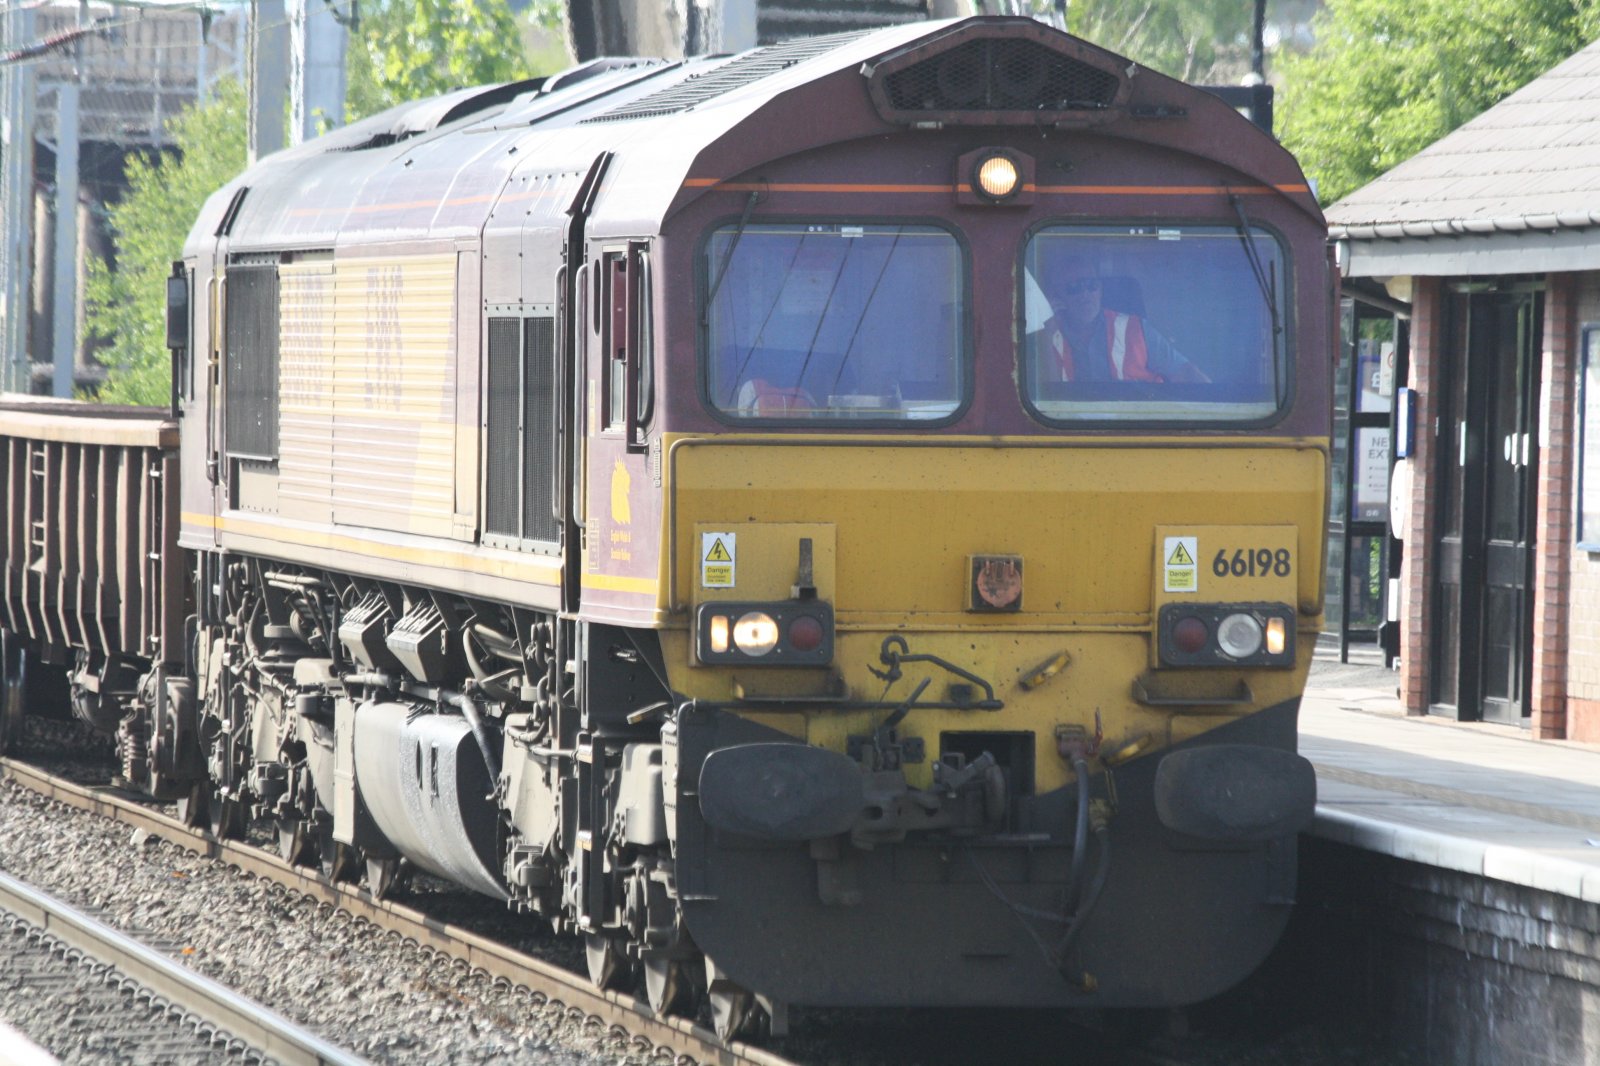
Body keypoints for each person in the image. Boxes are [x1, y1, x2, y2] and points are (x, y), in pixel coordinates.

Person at [1042, 257, 1207, 384]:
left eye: (1092, 285)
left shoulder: (1134, 328)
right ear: (1057, 296)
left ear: (1100, 290)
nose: (1085, 295)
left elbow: (1185, 372)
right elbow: (1044, 394)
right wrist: (1045, 333)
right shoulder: (1046, 335)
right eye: (1074, 287)